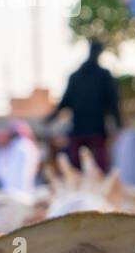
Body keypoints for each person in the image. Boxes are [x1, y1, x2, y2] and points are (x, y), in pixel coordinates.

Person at [46, 40, 122, 172]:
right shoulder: (103, 76)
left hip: (80, 131)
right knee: (98, 169)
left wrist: (50, 118)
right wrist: (119, 124)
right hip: (95, 132)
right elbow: (113, 103)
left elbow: (64, 102)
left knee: (79, 169)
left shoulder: (76, 77)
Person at [0, 120, 41, 194]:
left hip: (22, 192)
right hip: (9, 192)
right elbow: (0, 174)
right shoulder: (2, 152)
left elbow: (25, 172)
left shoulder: (23, 145)